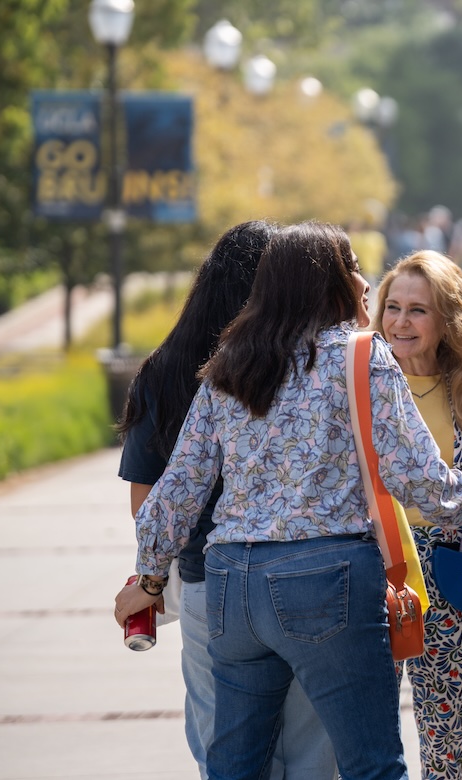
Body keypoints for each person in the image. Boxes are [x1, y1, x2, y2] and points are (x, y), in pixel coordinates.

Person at [113, 221, 462, 780]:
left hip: (232, 584)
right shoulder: (361, 358)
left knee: (235, 766)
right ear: (331, 284)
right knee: (370, 763)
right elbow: (416, 474)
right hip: (327, 581)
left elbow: (177, 491)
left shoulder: (228, 366)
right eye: (354, 270)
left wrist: (148, 581)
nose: (365, 283)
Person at [115, 221, 338, 780]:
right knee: (309, 744)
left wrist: (149, 579)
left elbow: (147, 505)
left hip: (205, 585)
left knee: (226, 749)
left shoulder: (163, 372)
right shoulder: (303, 367)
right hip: (302, 571)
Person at [370, 250, 462, 780]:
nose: (401, 322)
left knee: (446, 738)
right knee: (363, 731)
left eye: (418, 310)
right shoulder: (363, 383)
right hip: (376, 568)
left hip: (452, 572)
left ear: (446, 320)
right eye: (393, 307)